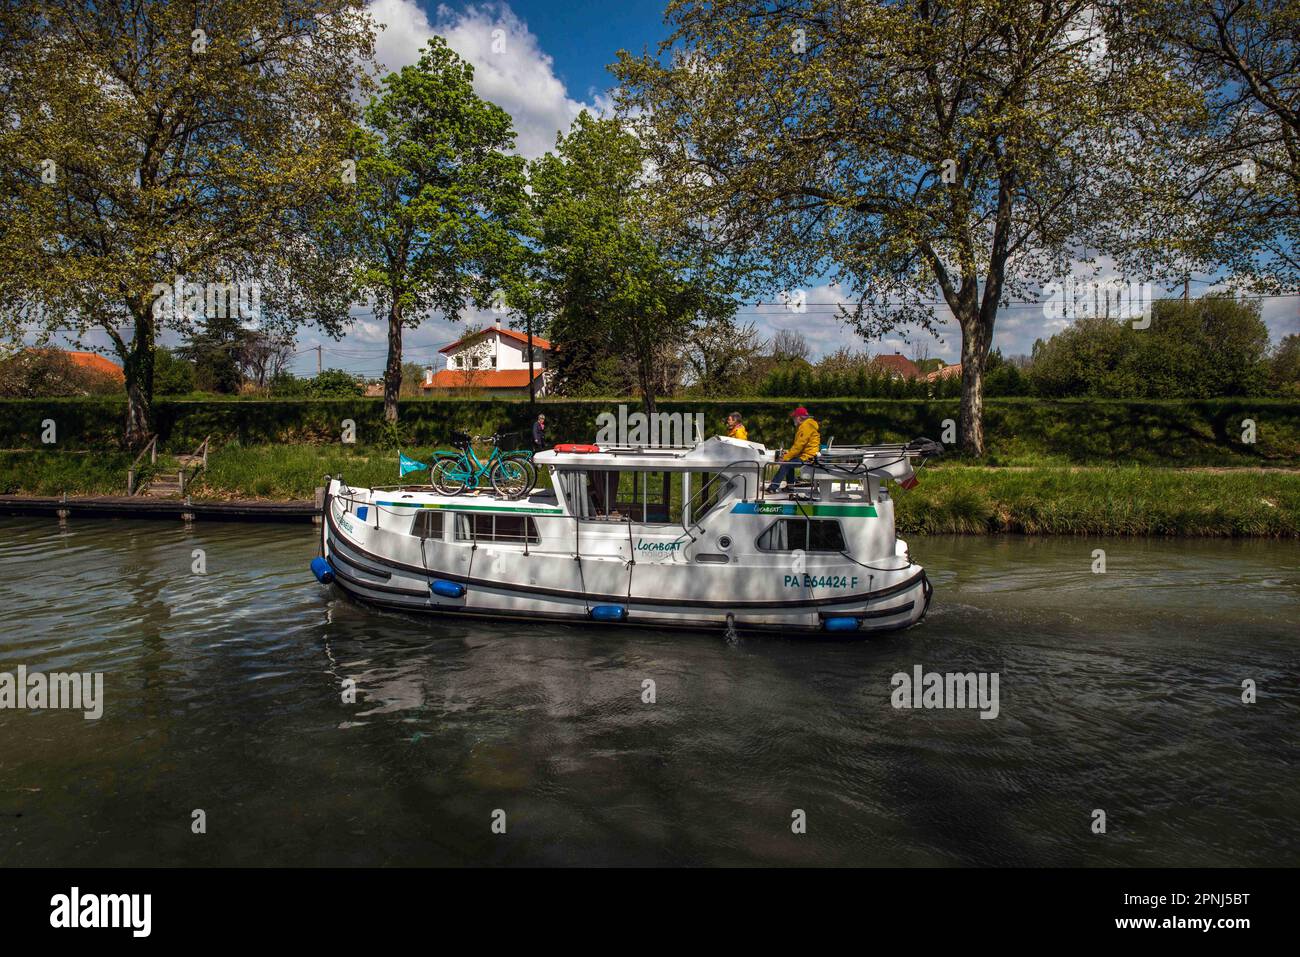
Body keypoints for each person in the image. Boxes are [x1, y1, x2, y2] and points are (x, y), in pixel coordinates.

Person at [766, 406, 819, 492]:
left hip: (808, 457)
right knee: (789, 463)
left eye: (794, 417)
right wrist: (789, 454)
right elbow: (799, 446)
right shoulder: (806, 425)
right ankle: (790, 487)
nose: (793, 419)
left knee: (785, 464)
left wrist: (785, 457)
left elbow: (798, 446)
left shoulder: (805, 426)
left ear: (798, 417)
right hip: (807, 455)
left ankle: (772, 488)